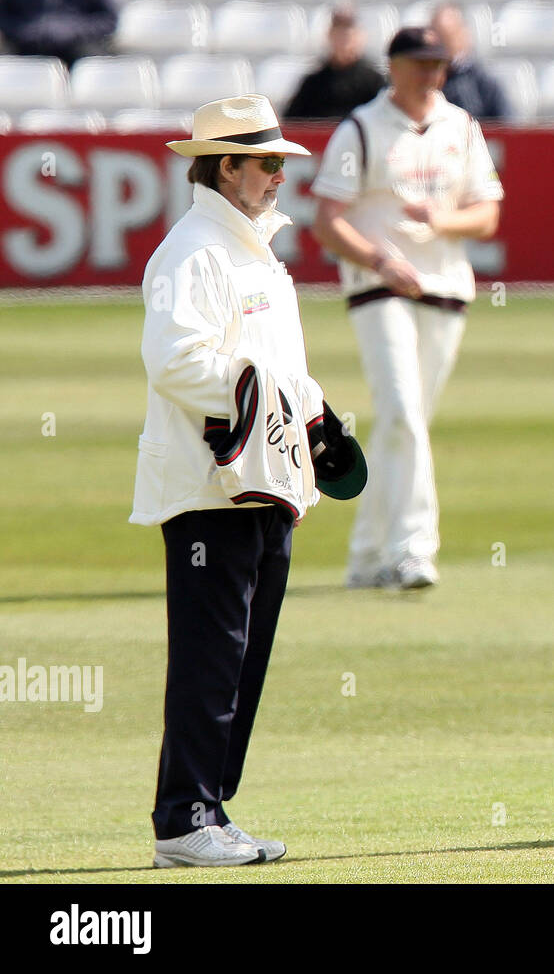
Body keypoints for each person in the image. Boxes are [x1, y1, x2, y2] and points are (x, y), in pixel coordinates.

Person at [132, 94, 322, 866]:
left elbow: (280, 369)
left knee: (244, 655)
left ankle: (209, 809)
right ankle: (182, 817)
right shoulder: (192, 251)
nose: (280, 175)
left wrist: (315, 426)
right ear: (226, 167)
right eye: (268, 162)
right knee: (213, 653)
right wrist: (264, 411)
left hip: (265, 481)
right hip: (212, 485)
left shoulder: (255, 250)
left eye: (282, 162)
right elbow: (176, 362)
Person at [311, 27, 503, 590]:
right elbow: (328, 219)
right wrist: (381, 260)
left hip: (446, 287)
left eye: (438, 63)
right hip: (380, 288)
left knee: (404, 423)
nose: (430, 74)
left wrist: (440, 221)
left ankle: (365, 555)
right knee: (401, 411)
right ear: (392, 66)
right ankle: (413, 550)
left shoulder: (460, 126)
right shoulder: (362, 128)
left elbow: (486, 215)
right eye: (419, 63)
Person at [284, 6, 386, 121]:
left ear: (360, 37)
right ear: (329, 35)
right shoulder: (314, 83)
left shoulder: (374, 82)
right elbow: (293, 122)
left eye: (349, 35)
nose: (344, 40)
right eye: (339, 34)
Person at [0, 0, 116, 66]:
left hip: (79, 52)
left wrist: (72, 31)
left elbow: (108, 19)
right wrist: (26, 31)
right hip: (28, 51)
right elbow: (5, 16)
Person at [430, 3, 509, 122]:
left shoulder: (485, 83)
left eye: (449, 36)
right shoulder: (422, 81)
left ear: (463, 34)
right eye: (439, 37)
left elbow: (507, 130)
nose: (443, 44)